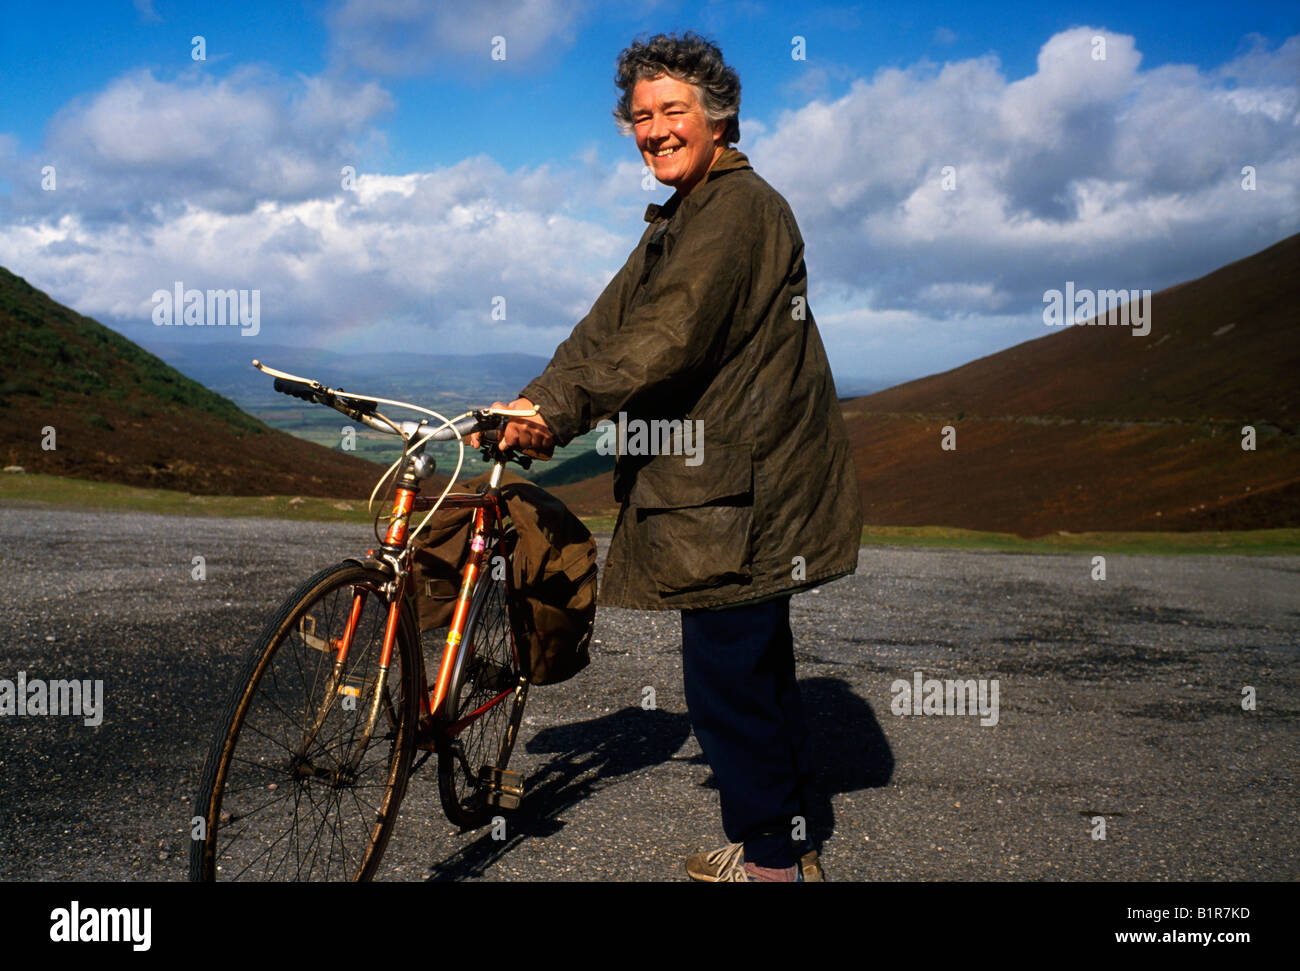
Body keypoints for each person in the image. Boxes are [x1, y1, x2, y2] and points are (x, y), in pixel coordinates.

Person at [484, 31, 861, 881]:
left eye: (672, 111)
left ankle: (771, 865)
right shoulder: (684, 215)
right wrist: (536, 400)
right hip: (729, 481)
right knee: (757, 671)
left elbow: (669, 335)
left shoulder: (736, 209)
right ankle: (784, 842)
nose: (654, 128)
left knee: (727, 680)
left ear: (717, 117)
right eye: (641, 115)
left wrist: (562, 411)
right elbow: (605, 327)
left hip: (741, 489)